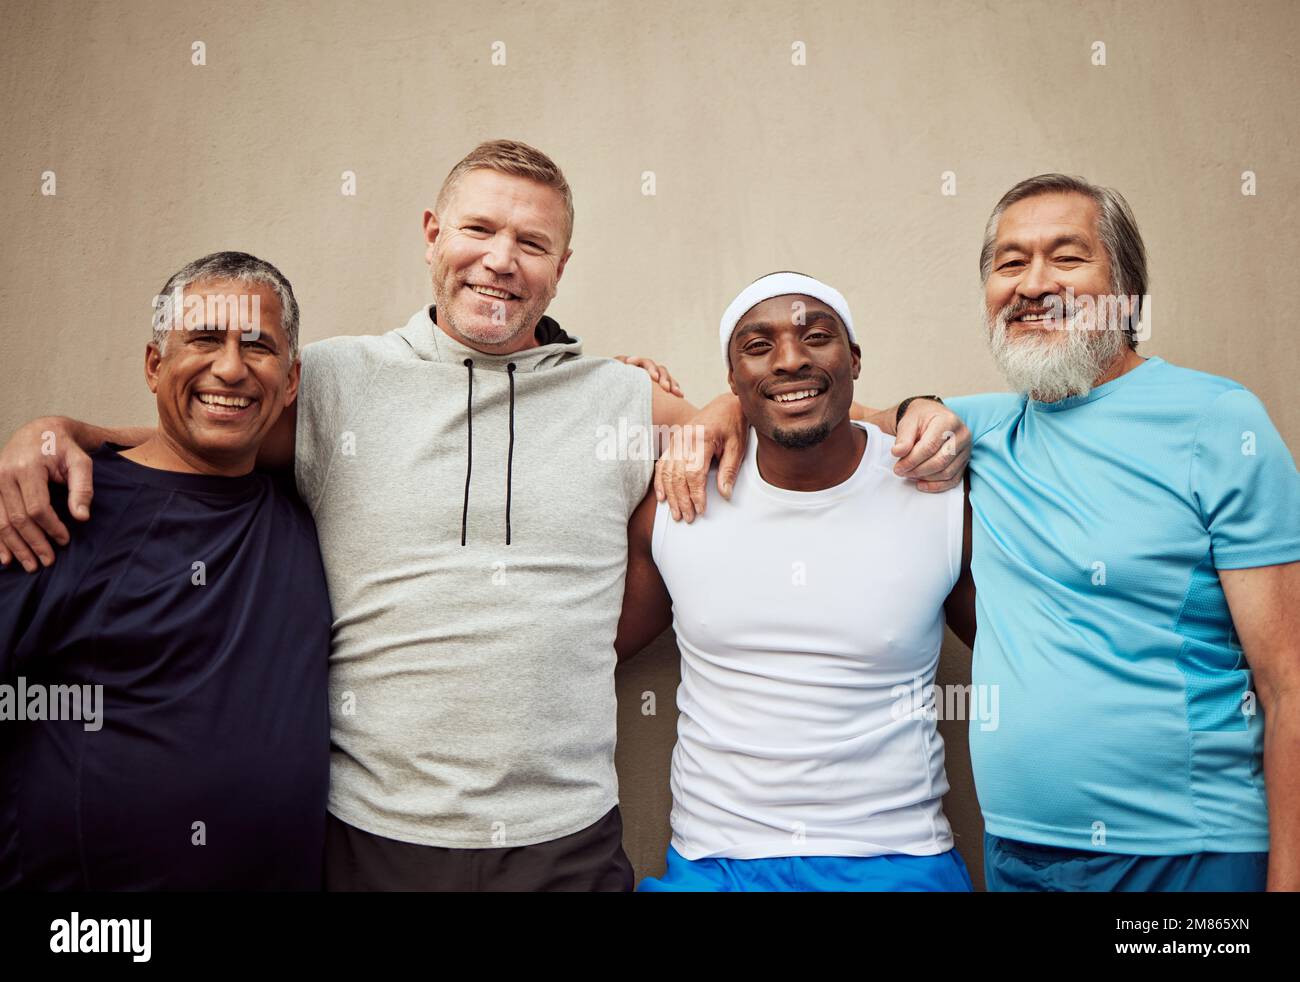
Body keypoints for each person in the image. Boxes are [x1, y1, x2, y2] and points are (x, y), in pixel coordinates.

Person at [0, 141, 969, 891]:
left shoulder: (615, 398)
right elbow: (202, 421)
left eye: (531, 243)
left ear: (560, 264)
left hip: (564, 836)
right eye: (477, 231)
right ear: (432, 232)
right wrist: (62, 429)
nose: (499, 262)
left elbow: (784, 409)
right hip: (369, 830)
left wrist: (917, 413)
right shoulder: (330, 380)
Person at [659, 175, 1300, 892]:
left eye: (1066, 257)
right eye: (1010, 263)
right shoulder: (981, 432)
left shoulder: (1217, 422)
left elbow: (1288, 683)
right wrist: (717, 411)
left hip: (1187, 853)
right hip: (1022, 855)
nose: (1032, 283)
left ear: (1126, 288)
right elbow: (813, 403)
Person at [615, 272, 976, 891]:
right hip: (714, 864)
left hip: (897, 861)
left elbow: (1027, 655)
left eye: (817, 337)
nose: (791, 359)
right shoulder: (678, 500)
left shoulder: (939, 495)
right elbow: (585, 649)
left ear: (854, 359)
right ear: (730, 382)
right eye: (759, 347)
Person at [0, 251, 331, 890]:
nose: (230, 368)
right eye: (204, 339)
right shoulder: (61, 509)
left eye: (257, 347)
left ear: (290, 382)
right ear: (155, 365)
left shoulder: (308, 510)